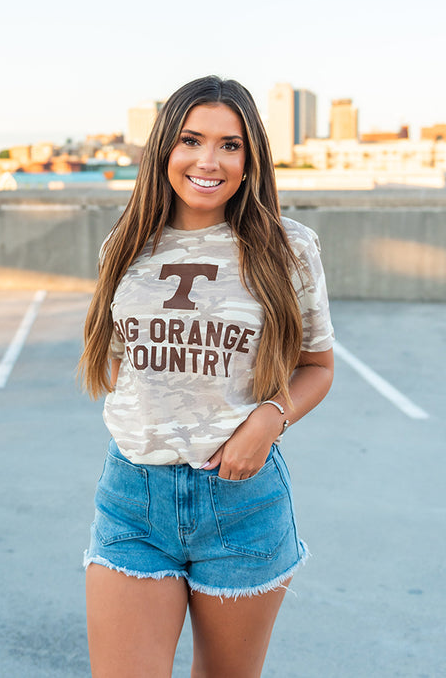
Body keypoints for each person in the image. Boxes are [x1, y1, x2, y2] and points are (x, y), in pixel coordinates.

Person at [79, 76, 334, 678]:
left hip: (241, 502)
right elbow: (118, 356)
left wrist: (267, 421)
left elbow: (318, 368)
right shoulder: (126, 244)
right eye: (192, 140)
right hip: (133, 498)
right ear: (165, 147)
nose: (208, 160)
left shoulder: (287, 248)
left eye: (230, 144)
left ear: (250, 160)